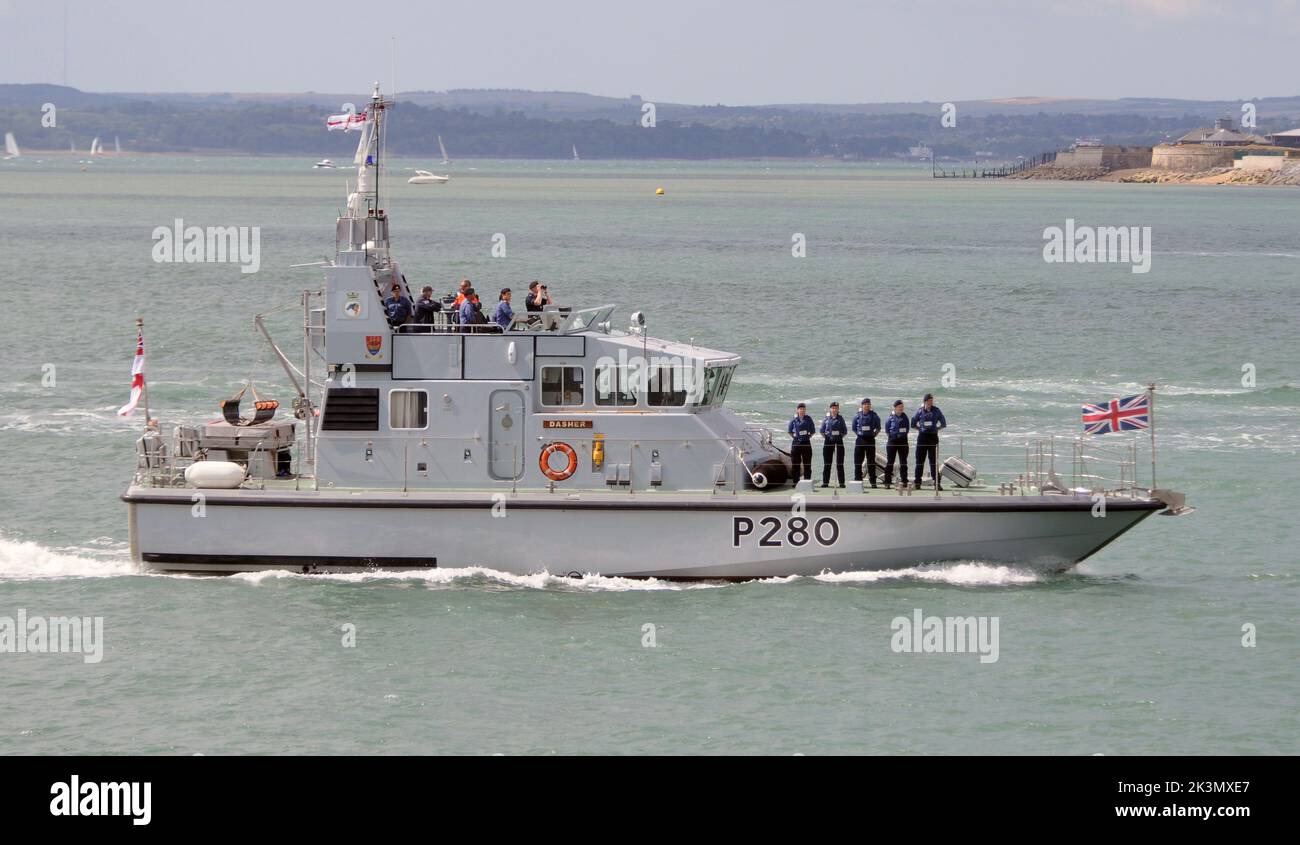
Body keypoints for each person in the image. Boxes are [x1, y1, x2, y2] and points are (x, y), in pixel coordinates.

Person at [912, 392, 948, 490]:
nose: (930, 402)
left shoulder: (936, 411)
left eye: (931, 401)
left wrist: (937, 429)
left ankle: (936, 483)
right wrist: (919, 429)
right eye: (928, 401)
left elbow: (943, 423)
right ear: (924, 401)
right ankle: (917, 482)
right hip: (922, 438)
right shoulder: (920, 411)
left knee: (933, 462)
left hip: (932, 437)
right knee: (919, 461)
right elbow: (913, 423)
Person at [852, 397, 882, 487]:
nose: (867, 405)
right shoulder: (857, 416)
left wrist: (873, 435)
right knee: (858, 461)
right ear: (862, 405)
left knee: (871, 462)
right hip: (860, 440)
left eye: (868, 404)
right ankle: (858, 480)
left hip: (870, 440)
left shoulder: (874, 415)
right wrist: (859, 434)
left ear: (870, 405)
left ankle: (873, 481)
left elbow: (878, 428)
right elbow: (854, 428)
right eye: (865, 404)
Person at [883, 400, 910, 489]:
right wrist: (893, 436)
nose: (901, 409)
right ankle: (887, 481)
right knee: (890, 462)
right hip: (892, 441)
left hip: (903, 441)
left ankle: (904, 480)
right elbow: (887, 430)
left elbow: (907, 428)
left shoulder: (905, 417)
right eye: (899, 407)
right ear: (895, 408)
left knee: (903, 462)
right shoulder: (890, 418)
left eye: (902, 407)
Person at [820, 401, 847, 488]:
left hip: (839, 441)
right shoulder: (826, 419)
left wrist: (838, 437)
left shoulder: (841, 419)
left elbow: (844, 431)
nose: (834, 409)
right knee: (827, 463)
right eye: (833, 408)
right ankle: (825, 482)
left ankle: (842, 483)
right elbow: (822, 431)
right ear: (830, 409)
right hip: (828, 442)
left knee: (840, 463)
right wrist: (828, 437)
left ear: (838, 409)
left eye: (836, 408)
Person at [787, 402, 814, 485]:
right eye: (800, 409)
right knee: (795, 464)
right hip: (796, 444)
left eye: (803, 409)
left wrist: (807, 437)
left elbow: (813, 431)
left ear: (805, 410)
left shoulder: (808, 419)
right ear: (797, 410)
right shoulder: (793, 420)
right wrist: (796, 438)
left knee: (807, 464)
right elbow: (790, 431)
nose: (802, 410)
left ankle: (807, 482)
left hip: (806, 443)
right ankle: (796, 482)